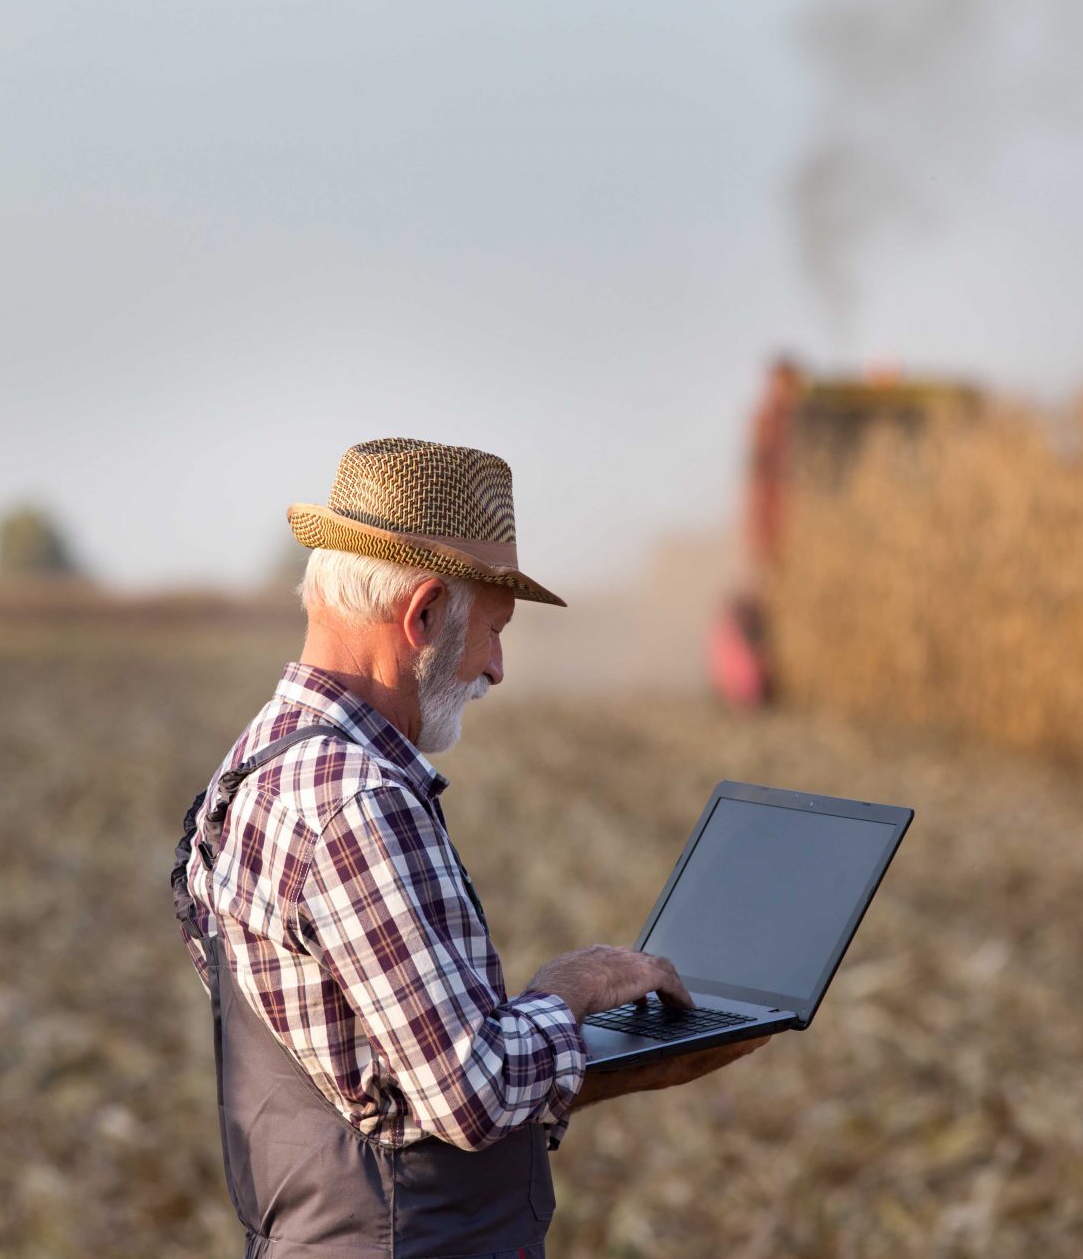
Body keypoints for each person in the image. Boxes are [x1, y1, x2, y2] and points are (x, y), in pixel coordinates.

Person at [171, 437, 767, 1259]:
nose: (497, 667)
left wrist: (622, 1064)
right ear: (422, 615)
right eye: (494, 629)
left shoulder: (256, 762)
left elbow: (377, 1080)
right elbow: (468, 1094)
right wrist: (572, 991)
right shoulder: (356, 804)